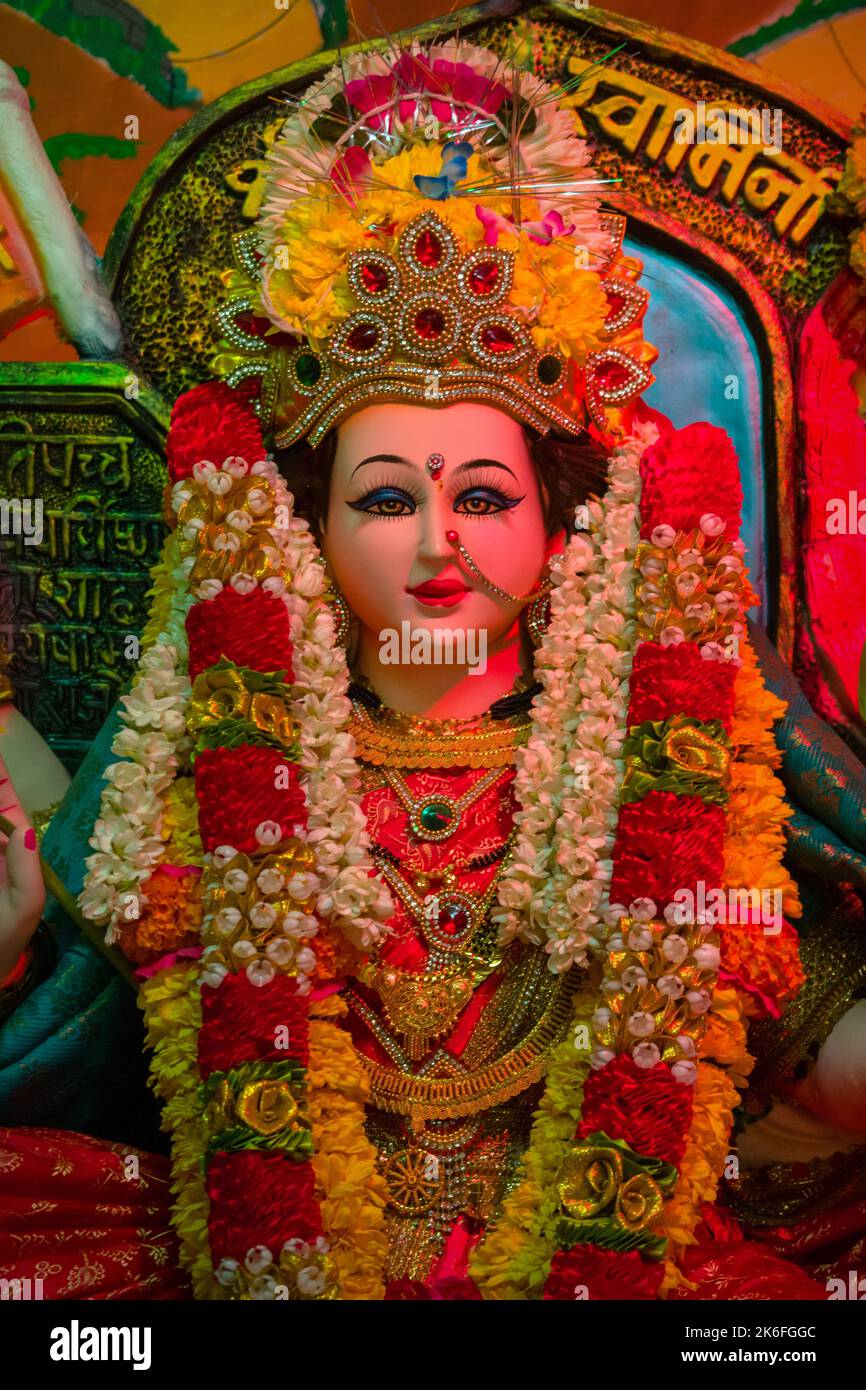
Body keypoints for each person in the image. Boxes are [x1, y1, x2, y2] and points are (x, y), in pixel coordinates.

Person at [2, 38, 866, 1301]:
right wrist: (17, 953)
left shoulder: (650, 759)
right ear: (311, 529)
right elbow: (80, 1019)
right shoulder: (224, 765)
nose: (437, 540)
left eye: (481, 493)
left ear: (553, 524)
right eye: (386, 497)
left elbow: (777, 1015)